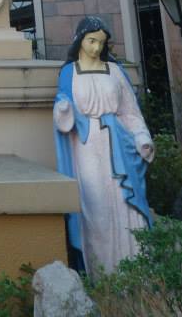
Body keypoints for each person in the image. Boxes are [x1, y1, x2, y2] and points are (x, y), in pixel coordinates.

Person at [53, 15, 154, 276]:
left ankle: (135, 274)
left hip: (120, 145)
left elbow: (130, 111)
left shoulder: (115, 71)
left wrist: (142, 137)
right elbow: (63, 105)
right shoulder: (69, 73)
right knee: (95, 208)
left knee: (125, 205)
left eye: (101, 42)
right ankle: (104, 276)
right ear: (80, 40)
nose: (97, 47)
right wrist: (63, 110)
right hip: (86, 146)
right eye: (91, 41)